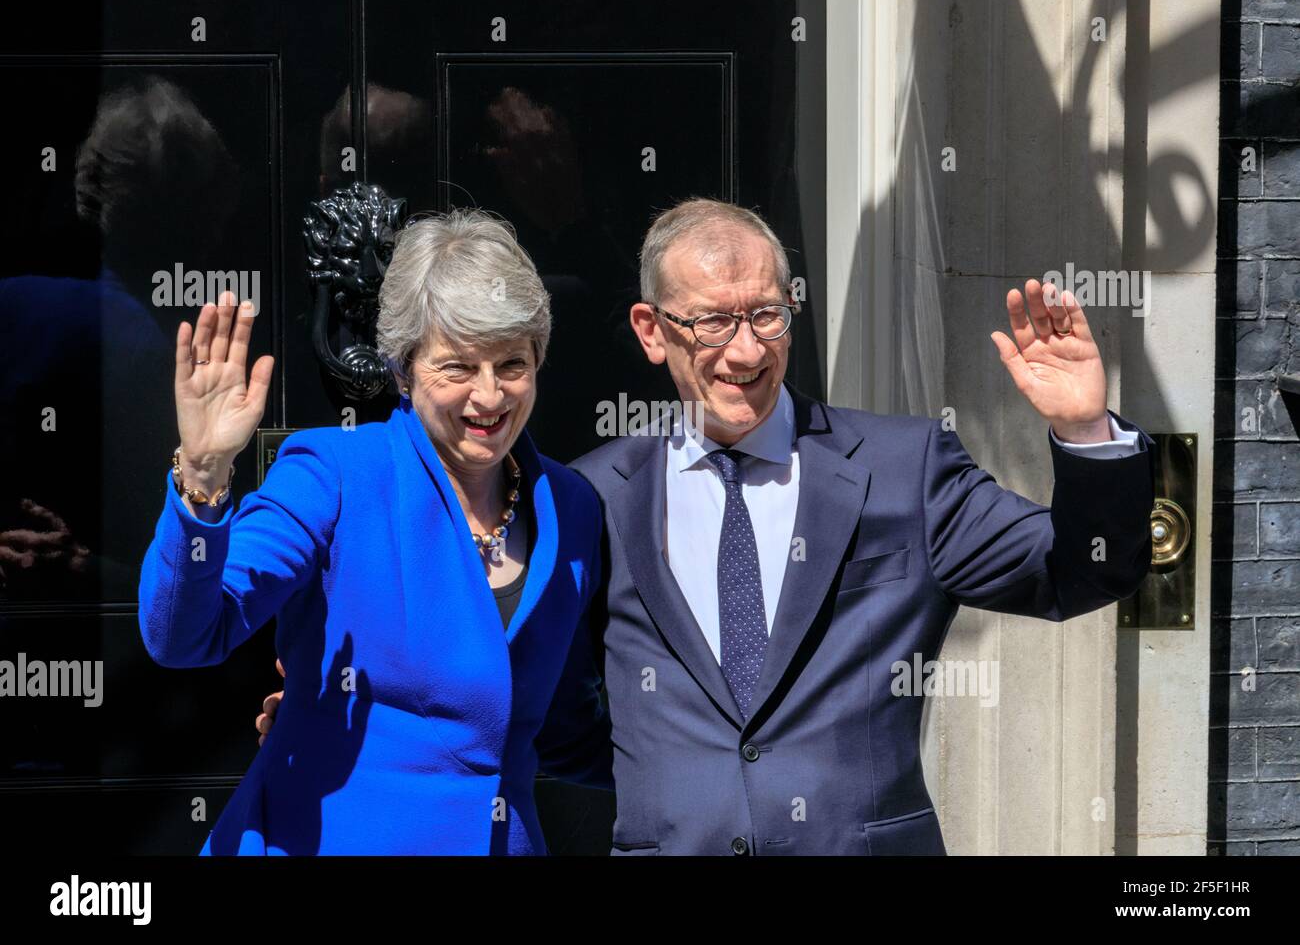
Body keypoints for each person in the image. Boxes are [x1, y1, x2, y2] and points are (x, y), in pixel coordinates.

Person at [258, 198, 1154, 855]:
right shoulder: (594, 496)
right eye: (713, 320)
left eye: (766, 313)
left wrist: (1083, 432)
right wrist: (332, 722)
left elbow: (1084, 573)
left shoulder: (903, 467)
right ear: (652, 331)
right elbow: (542, 703)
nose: (745, 349)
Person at [138, 209, 611, 855]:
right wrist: (202, 472)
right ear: (402, 369)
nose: (489, 396)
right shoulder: (335, 473)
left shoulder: (572, 507)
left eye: (511, 364)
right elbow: (183, 635)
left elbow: (564, 728)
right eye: (457, 367)